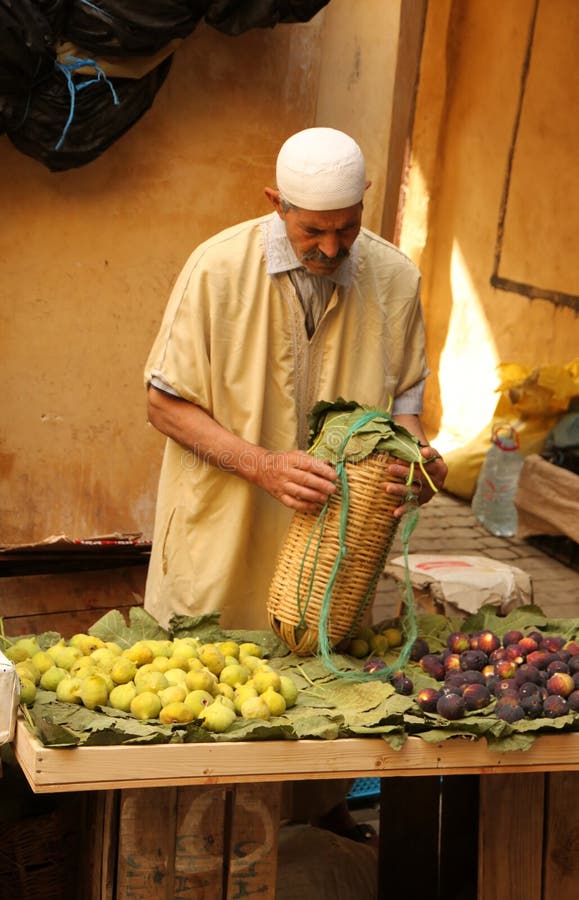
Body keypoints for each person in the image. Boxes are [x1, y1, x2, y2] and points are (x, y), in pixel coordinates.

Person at [144, 126, 447, 842]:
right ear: (276, 203)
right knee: (205, 703)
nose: (333, 248)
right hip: (224, 528)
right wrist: (262, 464)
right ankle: (199, 847)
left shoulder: (395, 278)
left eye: (347, 228)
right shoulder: (215, 269)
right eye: (314, 230)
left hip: (334, 545)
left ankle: (319, 825)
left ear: (365, 203)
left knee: (323, 708)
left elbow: (405, 413)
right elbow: (163, 402)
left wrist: (415, 465)